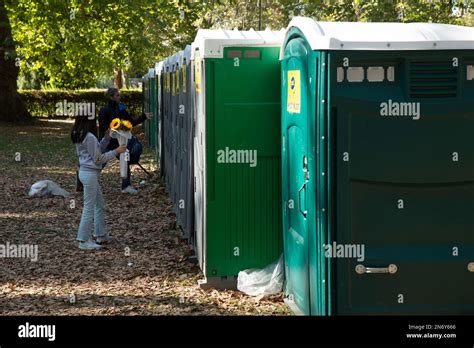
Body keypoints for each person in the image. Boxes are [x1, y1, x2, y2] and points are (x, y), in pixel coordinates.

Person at [71, 115, 127, 250]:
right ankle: (83, 240)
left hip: (87, 173)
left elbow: (95, 151)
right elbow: (98, 159)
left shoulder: (81, 134)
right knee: (89, 207)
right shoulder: (88, 136)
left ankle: (100, 234)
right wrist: (116, 152)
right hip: (89, 174)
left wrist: (106, 138)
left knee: (99, 204)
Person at [98, 88, 151, 194]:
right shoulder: (104, 110)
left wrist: (143, 117)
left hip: (120, 142)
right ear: (111, 97)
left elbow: (130, 122)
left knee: (125, 160)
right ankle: (86, 181)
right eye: (117, 95)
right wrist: (113, 129)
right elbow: (103, 127)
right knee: (99, 162)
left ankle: (126, 186)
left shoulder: (121, 109)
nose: (119, 97)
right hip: (107, 142)